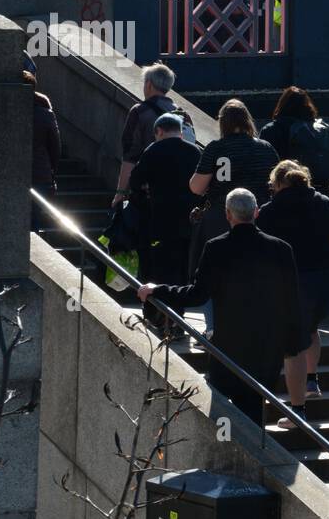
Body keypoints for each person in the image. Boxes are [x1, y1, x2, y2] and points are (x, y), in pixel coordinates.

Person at [139, 188, 302, 425]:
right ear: (256, 212)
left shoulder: (217, 248)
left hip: (229, 345)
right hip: (267, 347)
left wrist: (158, 290)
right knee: (254, 412)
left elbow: (196, 294)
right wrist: (291, 343)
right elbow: (292, 301)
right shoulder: (281, 249)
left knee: (217, 411)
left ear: (228, 215)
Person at [257, 159, 329, 417]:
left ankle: (297, 410)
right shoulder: (325, 202)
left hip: (296, 283)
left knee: (293, 346)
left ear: (279, 183)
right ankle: (312, 381)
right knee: (310, 327)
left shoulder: (269, 210)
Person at [189, 99, 281, 290]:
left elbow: (196, 187)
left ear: (222, 122)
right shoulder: (266, 148)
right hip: (259, 216)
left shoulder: (216, 148)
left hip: (222, 216)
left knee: (220, 272)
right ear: (248, 121)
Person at [128, 113, 201, 328]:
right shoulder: (194, 151)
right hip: (188, 223)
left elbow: (135, 181)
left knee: (158, 268)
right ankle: (177, 319)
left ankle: (157, 315)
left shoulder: (153, 150)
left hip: (159, 221)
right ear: (180, 130)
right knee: (181, 272)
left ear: (159, 131)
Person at [258, 86, 329, 195]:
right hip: (322, 193)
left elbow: (261, 164)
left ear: (281, 106)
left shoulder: (271, 130)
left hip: (289, 195)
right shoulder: (322, 130)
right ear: (308, 106)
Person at [113, 64, 182, 209]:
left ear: (149, 84)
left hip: (147, 190)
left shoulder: (139, 112)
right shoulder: (181, 114)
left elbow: (130, 155)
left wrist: (120, 192)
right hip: (176, 189)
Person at [26, 70, 61, 231]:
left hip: (20, 173)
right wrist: (52, 171)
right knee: (34, 218)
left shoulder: (9, 112)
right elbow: (55, 147)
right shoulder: (45, 114)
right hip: (40, 173)